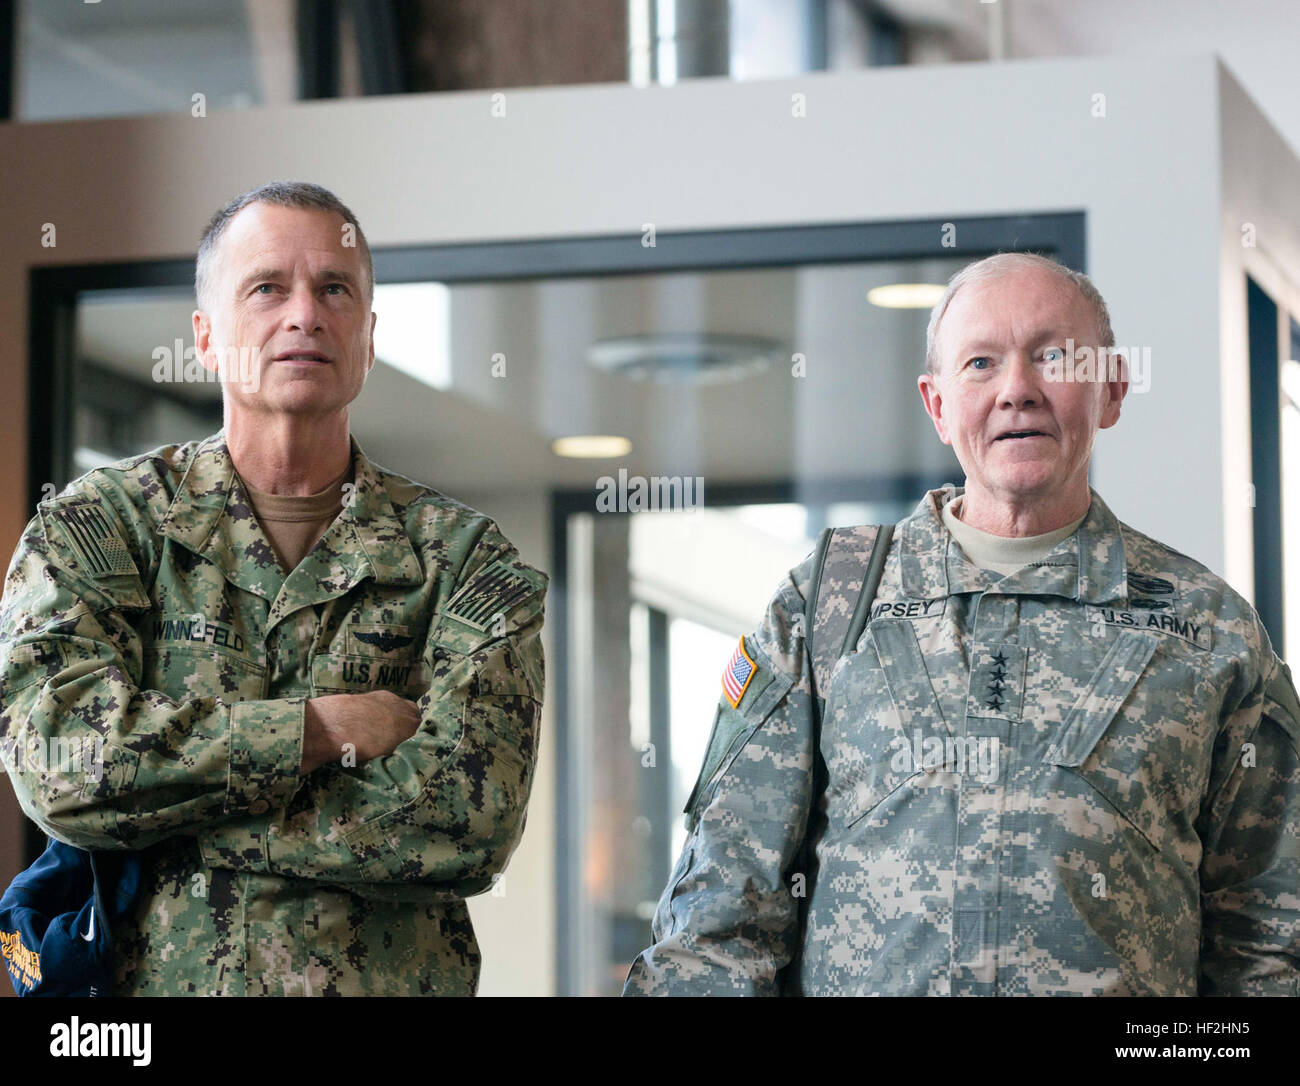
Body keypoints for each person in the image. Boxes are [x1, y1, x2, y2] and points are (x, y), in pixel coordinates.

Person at [624, 252, 1300, 996]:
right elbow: (720, 917)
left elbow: (1271, 945)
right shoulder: (830, 602)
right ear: (938, 404)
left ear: (1111, 389)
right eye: (981, 363)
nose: (1017, 390)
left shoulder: (1209, 630)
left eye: (1053, 357)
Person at [0, 181, 547, 996]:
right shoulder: (100, 526)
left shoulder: (464, 561)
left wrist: (173, 821)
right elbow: (64, 766)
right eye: (266, 288)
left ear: (367, 337)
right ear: (206, 336)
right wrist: (317, 731)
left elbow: (470, 823)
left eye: (335, 289)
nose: (305, 315)